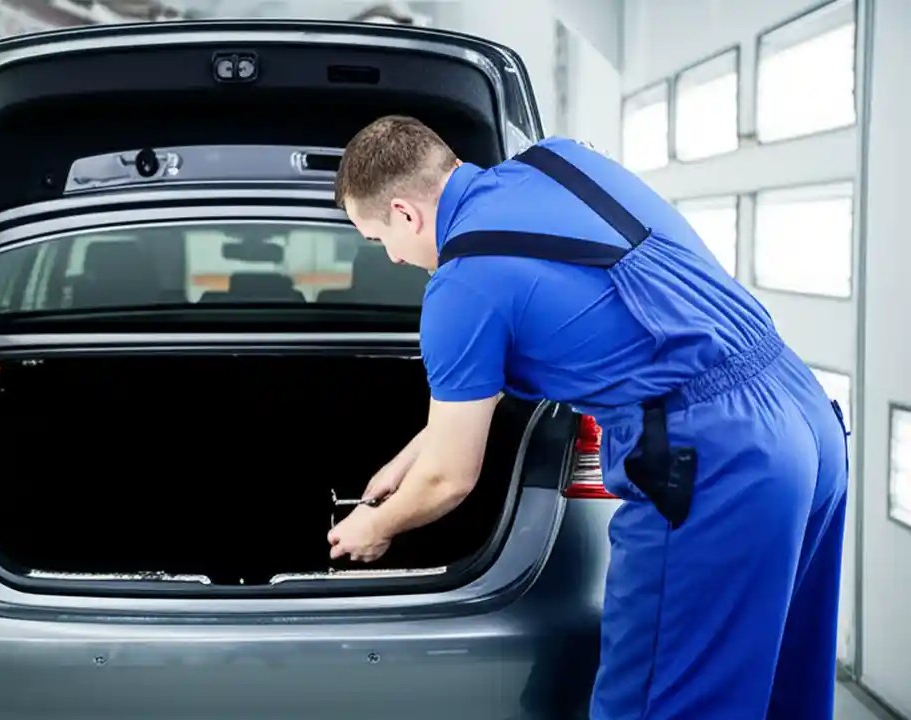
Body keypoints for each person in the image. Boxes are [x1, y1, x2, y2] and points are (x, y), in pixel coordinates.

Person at [325, 115, 849, 719]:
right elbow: (484, 392)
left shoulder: (460, 288)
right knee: (784, 691)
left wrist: (377, 526)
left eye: (376, 239)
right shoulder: (563, 160)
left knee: (659, 705)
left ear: (405, 213)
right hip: (805, 417)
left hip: (713, 456)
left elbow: (450, 479)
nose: (391, 257)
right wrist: (403, 462)